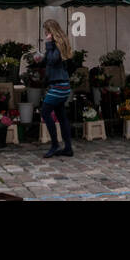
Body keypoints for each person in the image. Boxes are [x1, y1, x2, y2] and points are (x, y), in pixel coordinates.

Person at [38, 18, 74, 158]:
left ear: (51, 31)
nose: (45, 33)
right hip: (60, 84)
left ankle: (55, 145)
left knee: (45, 112)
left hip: (59, 85)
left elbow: (54, 60)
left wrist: (48, 45)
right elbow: (48, 61)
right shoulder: (55, 44)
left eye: (46, 31)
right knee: (61, 116)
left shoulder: (58, 44)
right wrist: (40, 59)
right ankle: (68, 147)